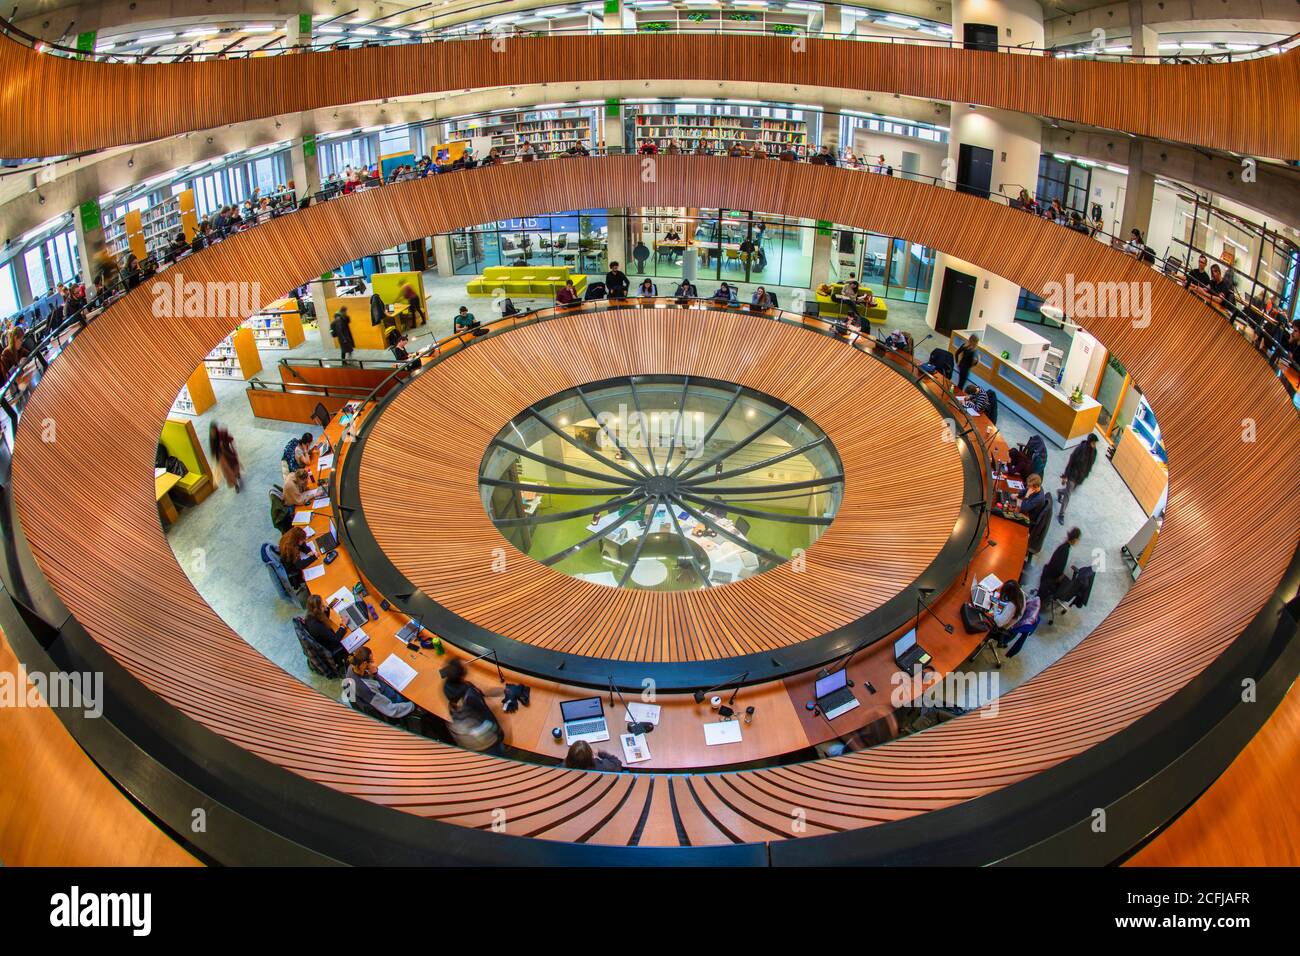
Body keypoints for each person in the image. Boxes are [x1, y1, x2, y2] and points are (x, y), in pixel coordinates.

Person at [441, 658, 506, 756]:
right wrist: (499, 733)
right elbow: (487, 717)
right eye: (463, 665)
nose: (466, 663)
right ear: (462, 675)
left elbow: (481, 693)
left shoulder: (447, 687)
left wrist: (500, 691)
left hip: (469, 729)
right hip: (484, 737)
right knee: (497, 754)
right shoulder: (470, 695)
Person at [344, 647, 416, 721]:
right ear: (364, 663)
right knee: (412, 691)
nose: (373, 662)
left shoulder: (353, 666)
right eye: (371, 661)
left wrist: (374, 673)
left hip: (377, 691)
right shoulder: (365, 688)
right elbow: (390, 709)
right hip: (387, 701)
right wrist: (413, 706)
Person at [1057, 433, 1098, 522]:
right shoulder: (1080, 449)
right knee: (1068, 495)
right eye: (1094, 443)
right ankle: (1061, 514)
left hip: (1080, 477)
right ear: (1090, 442)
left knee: (1068, 492)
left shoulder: (1094, 452)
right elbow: (1071, 461)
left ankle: (1059, 491)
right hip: (1072, 475)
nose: (1095, 445)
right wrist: (1065, 476)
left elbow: (1090, 465)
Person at [1039, 527, 1082, 608]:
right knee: (1070, 584)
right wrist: (1062, 576)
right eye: (1078, 539)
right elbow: (1057, 572)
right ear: (1075, 539)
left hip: (1047, 576)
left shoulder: (1064, 546)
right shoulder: (1065, 550)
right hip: (1049, 581)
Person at [1020, 473, 1053, 567]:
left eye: (1029, 487)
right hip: (1027, 515)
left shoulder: (1038, 498)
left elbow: (1023, 507)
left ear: (1035, 487)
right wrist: (1018, 494)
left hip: (1029, 522)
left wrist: (1026, 495)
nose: (1028, 487)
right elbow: (1024, 491)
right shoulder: (1036, 489)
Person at [302, 594, 347, 662]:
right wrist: (343, 626)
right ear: (318, 611)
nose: (324, 605)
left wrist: (325, 608)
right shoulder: (317, 626)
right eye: (322, 606)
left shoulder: (310, 615)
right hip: (329, 646)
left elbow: (323, 617)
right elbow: (335, 639)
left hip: (323, 639)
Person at [208, 422, 242, 493]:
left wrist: (225, 445)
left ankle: (237, 473)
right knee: (227, 473)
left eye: (214, 430)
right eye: (212, 431)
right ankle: (235, 484)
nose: (213, 433)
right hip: (221, 458)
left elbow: (230, 439)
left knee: (234, 466)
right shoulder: (212, 439)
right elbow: (213, 450)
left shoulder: (222, 434)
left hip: (228, 454)